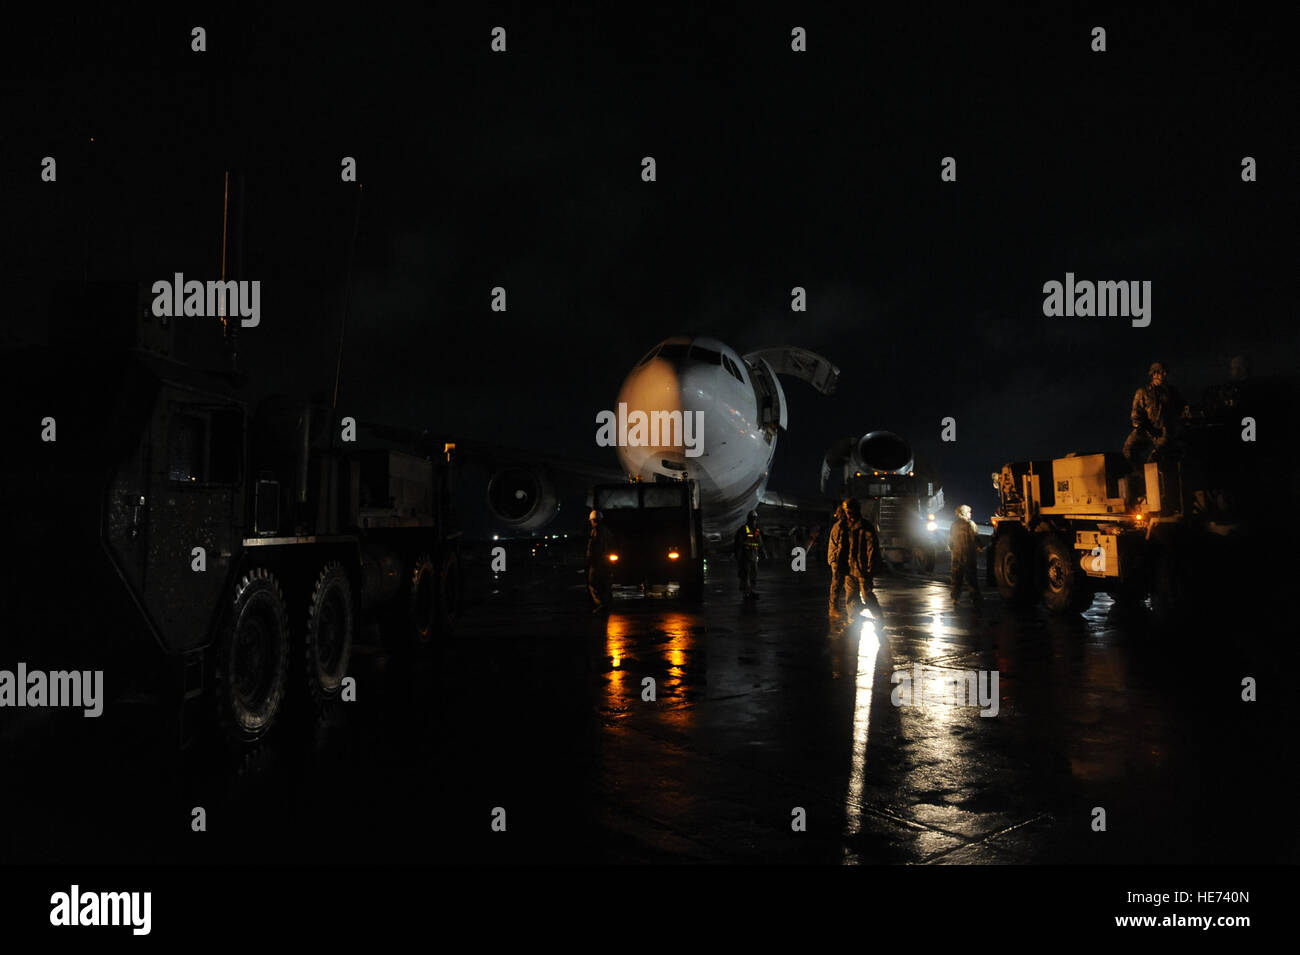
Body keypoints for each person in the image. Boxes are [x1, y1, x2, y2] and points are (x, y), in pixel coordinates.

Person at [1123, 361, 1189, 471]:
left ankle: (1151, 474)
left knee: (1157, 456)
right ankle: (1140, 474)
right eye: (1161, 373)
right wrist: (1139, 426)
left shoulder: (1171, 392)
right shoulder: (1143, 392)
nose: (1164, 375)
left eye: (1164, 373)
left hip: (1163, 431)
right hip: (1146, 429)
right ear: (1154, 374)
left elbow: (1183, 408)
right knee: (1128, 450)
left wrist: (1179, 423)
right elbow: (1136, 412)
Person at [842, 498, 884, 622]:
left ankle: (878, 618)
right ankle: (853, 620)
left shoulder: (866, 527)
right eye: (846, 511)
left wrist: (870, 567)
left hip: (863, 568)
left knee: (867, 595)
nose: (848, 514)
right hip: (849, 568)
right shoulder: (844, 527)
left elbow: (872, 548)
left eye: (850, 511)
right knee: (850, 596)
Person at [948, 504, 982, 606]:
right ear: (964, 513)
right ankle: (975, 598)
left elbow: (950, 541)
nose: (970, 514)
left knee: (956, 578)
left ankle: (955, 598)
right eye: (969, 512)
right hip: (969, 555)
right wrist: (980, 547)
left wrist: (952, 549)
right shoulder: (970, 524)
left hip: (956, 556)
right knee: (971, 577)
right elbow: (975, 538)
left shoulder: (953, 525)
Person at [586, 509, 614, 613]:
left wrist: (589, 559)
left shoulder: (595, 531)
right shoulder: (607, 531)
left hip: (597, 562)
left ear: (593, 520)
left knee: (593, 583)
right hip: (606, 562)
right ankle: (608, 604)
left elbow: (592, 547)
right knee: (605, 583)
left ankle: (601, 604)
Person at [734, 510, 763, 599]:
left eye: (755, 519)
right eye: (753, 519)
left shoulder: (756, 530)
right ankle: (746, 593)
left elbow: (760, 543)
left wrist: (761, 552)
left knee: (754, 574)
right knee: (745, 575)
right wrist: (738, 556)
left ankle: (751, 591)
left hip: (753, 556)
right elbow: (738, 543)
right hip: (745, 556)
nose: (754, 521)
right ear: (749, 519)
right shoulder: (743, 529)